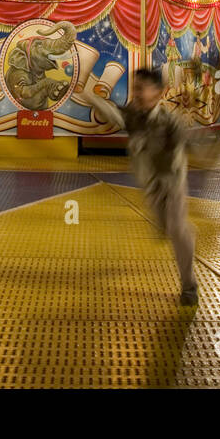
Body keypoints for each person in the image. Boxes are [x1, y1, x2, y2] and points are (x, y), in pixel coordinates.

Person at [85, 69, 197, 305]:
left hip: (172, 180)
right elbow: (114, 114)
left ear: (157, 93)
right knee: (165, 226)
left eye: (141, 88)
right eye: (134, 88)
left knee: (177, 228)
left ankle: (189, 286)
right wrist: (89, 96)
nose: (136, 93)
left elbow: (183, 149)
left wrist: (172, 172)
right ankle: (171, 225)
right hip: (150, 183)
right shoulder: (133, 115)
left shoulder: (169, 122)